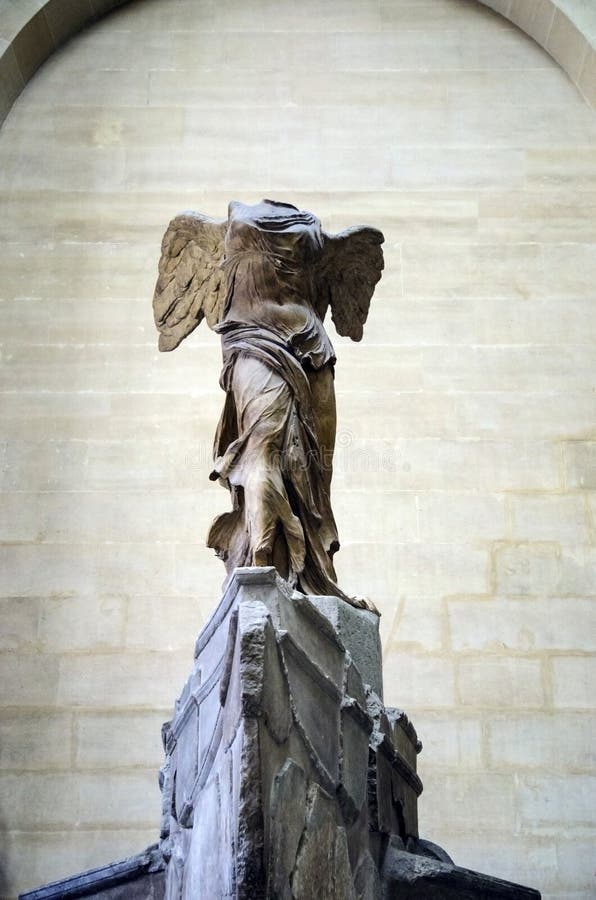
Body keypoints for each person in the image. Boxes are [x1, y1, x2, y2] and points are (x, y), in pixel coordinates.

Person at [153, 199, 383, 607]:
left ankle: (311, 573)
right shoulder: (227, 228)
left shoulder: (319, 238)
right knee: (264, 454)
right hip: (253, 344)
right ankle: (260, 570)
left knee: (313, 476)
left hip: (313, 354)